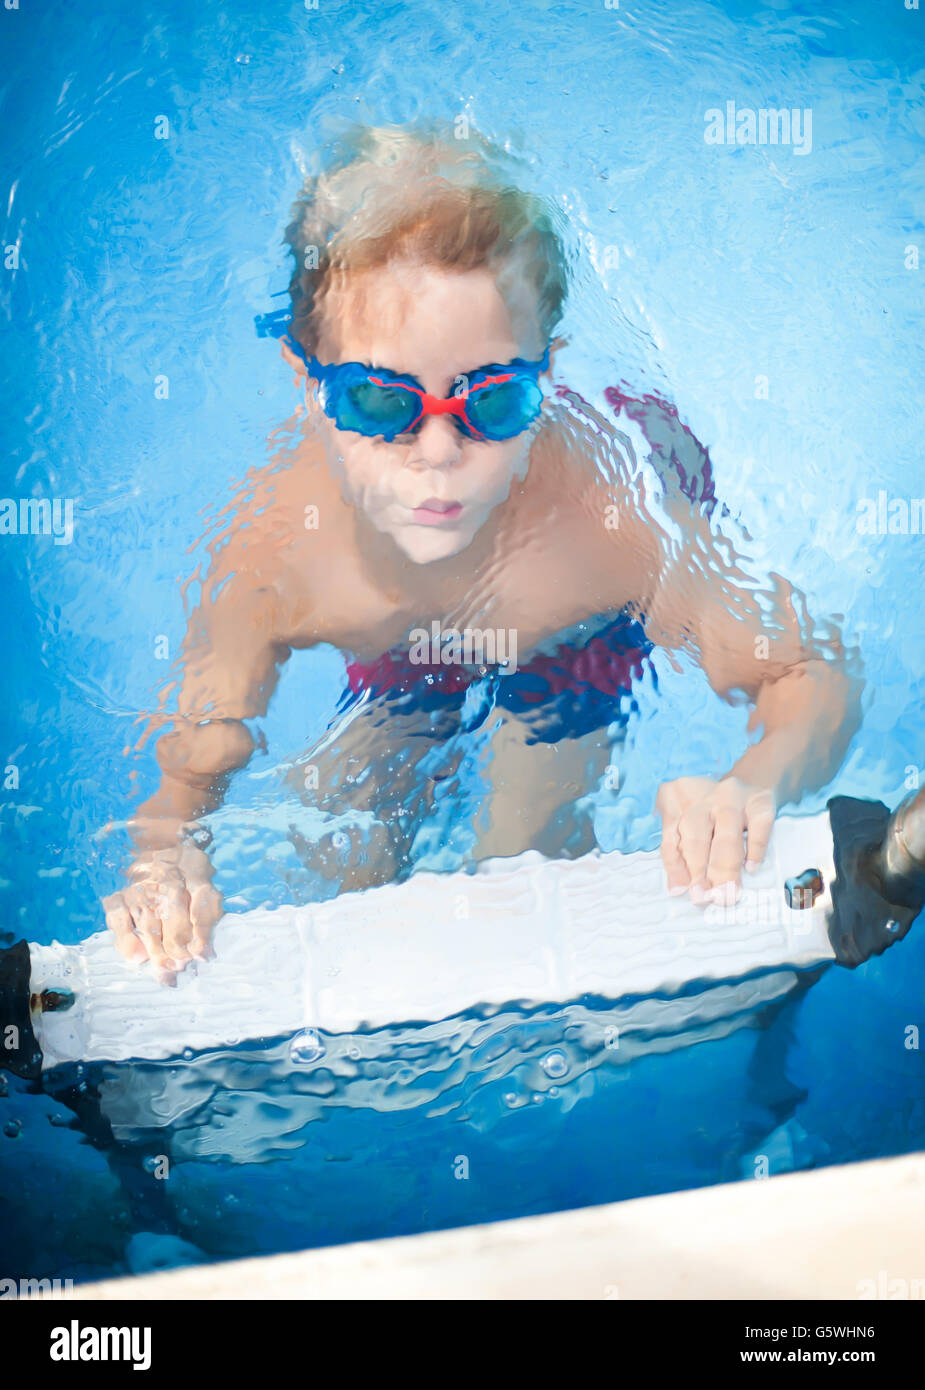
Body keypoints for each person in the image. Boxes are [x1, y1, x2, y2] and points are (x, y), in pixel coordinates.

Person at [103, 125, 860, 975]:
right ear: (305, 378)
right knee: (338, 847)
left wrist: (749, 785)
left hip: (572, 633)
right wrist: (164, 863)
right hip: (406, 647)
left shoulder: (613, 523)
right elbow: (191, 763)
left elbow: (812, 670)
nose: (436, 452)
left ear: (549, 372)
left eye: (495, 400)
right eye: (379, 402)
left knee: (521, 876)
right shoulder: (275, 554)